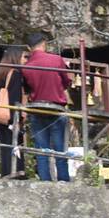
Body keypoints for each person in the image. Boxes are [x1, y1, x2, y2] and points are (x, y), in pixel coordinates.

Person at [21, 32, 72, 183]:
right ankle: (63, 181)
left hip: (37, 109)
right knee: (59, 149)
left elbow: (26, 89)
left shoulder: (26, 66)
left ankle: (45, 181)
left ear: (29, 48)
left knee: (41, 149)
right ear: (44, 44)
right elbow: (67, 82)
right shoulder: (57, 60)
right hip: (56, 108)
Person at [0, 46, 28, 178]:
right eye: (24, 57)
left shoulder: (4, 73)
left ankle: (7, 173)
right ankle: (16, 174)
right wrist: (16, 121)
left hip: (2, 117)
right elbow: (14, 99)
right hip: (11, 117)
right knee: (14, 146)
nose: (26, 60)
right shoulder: (16, 74)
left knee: (6, 147)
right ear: (16, 57)